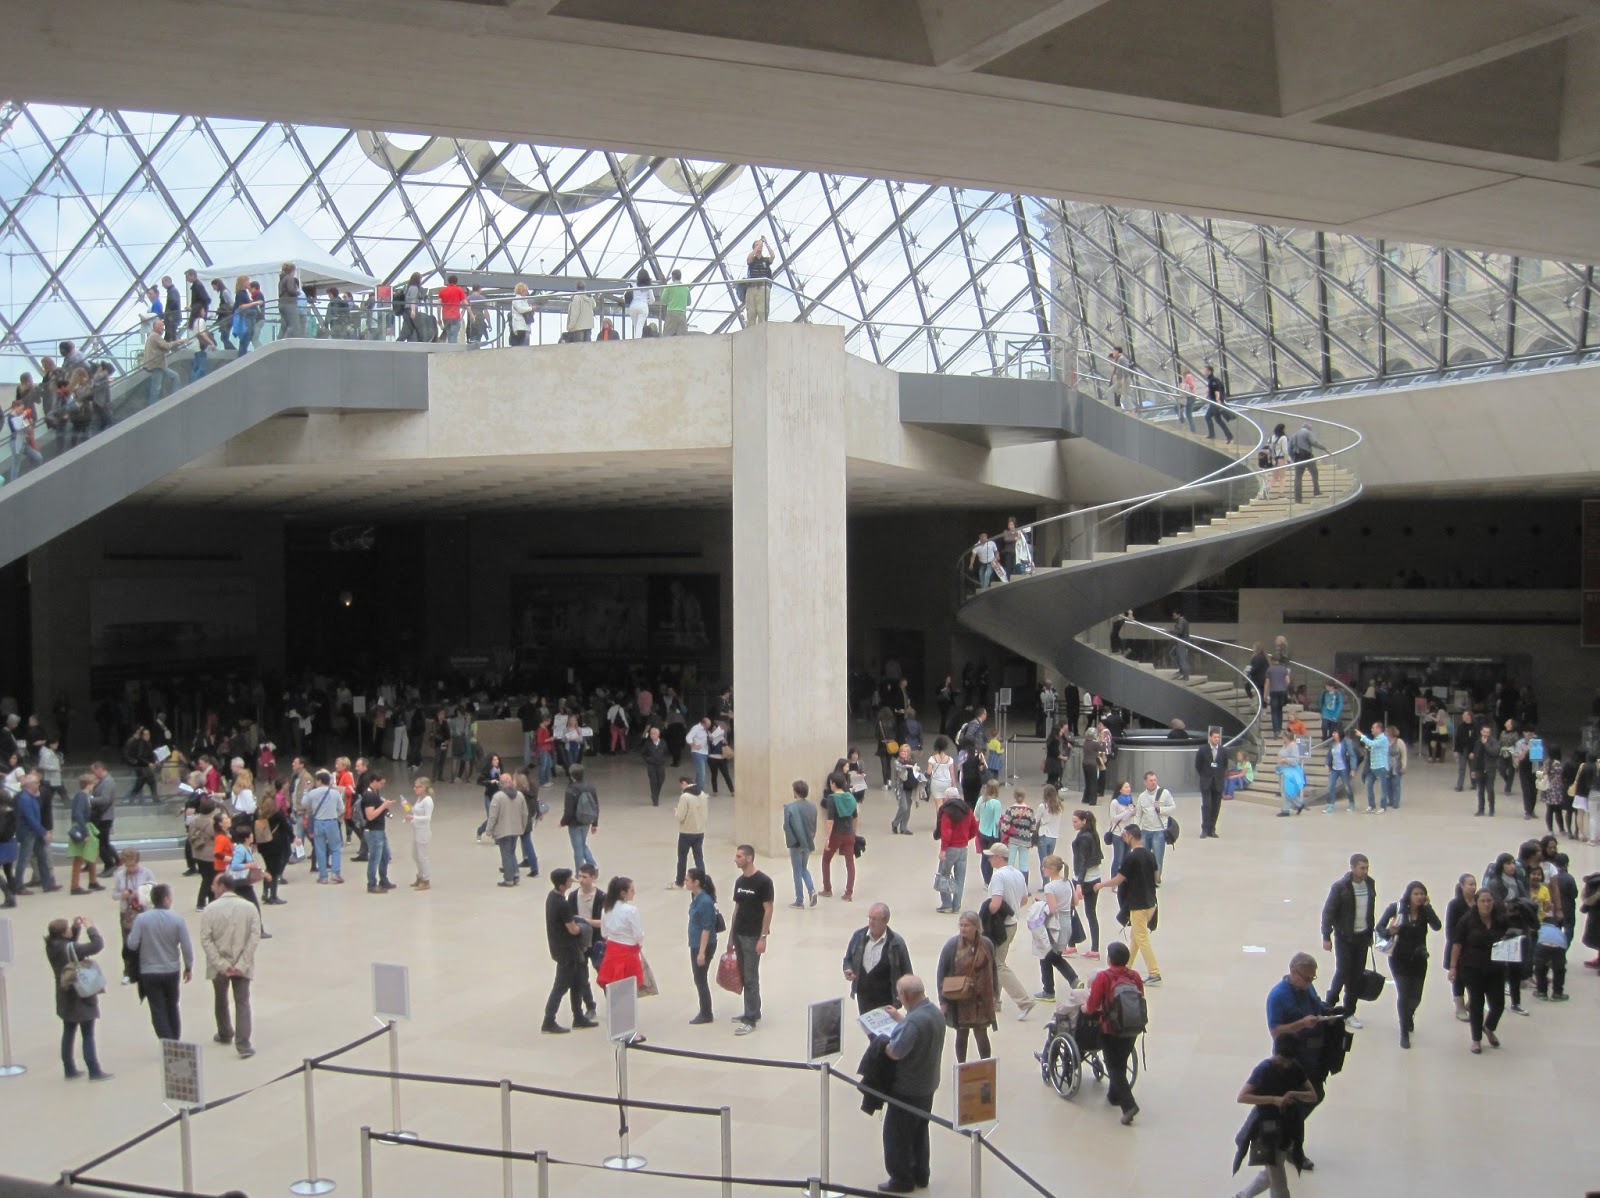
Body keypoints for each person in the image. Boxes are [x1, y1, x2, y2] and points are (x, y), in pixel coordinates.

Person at [877, 975, 946, 1195]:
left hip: (907, 1088)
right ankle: (920, 1174)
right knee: (919, 1133)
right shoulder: (935, 1013)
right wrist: (900, 1019)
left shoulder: (914, 1022)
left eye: (900, 995)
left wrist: (882, 1042)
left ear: (905, 996)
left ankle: (901, 1179)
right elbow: (916, 1029)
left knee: (896, 1135)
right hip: (928, 1084)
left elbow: (896, 1052)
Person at [1231, 1036, 1318, 1198]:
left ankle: (1242, 1196)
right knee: (1278, 1179)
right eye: (1283, 1061)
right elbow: (1242, 1097)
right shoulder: (1264, 1069)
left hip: (1287, 1127)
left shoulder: (1295, 1067)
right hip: (1266, 1128)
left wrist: (1293, 1094)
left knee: (1271, 1173)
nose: (1286, 1065)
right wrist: (1273, 1100)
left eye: (1289, 1061)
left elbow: (1312, 1095)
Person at [1082, 941, 1144, 1124]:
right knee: (1121, 1061)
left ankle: (1129, 1105)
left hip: (1111, 1028)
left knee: (1113, 1066)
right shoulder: (1134, 976)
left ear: (1109, 960)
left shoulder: (1103, 977)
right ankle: (1113, 1095)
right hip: (1133, 1026)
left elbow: (1092, 1006)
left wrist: (1084, 1009)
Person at [200, 874, 261, 1058]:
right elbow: (254, 937)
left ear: (222, 886)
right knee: (242, 1002)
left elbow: (206, 940)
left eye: (214, 884)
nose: (212, 888)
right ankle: (243, 1045)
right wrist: (242, 963)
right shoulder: (249, 907)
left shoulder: (210, 909)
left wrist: (221, 964)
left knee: (221, 998)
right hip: (242, 965)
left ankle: (225, 1032)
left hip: (219, 966)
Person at [45, 915, 113, 1080]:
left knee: (68, 1031)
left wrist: (76, 928)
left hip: (64, 994)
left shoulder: (52, 946)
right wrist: (91, 928)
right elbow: (97, 945)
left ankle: (69, 1068)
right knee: (88, 1033)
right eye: (68, 928)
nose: (70, 929)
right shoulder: (70, 948)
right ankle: (94, 1070)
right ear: (63, 934)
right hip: (80, 995)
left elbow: (69, 947)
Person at [1376, 880, 1440, 1048]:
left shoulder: (1425, 912)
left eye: (1422, 894)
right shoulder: (1396, 908)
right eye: (1416, 894)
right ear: (1409, 895)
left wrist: (1428, 908)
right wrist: (1389, 931)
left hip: (1419, 958)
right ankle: (1404, 1030)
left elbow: (1437, 926)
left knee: (1416, 995)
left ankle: (1409, 1014)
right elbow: (1379, 928)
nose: (1419, 897)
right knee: (1403, 994)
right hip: (1399, 958)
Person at [126, 884, 192, 1041]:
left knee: (157, 1009)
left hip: (149, 970)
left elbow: (132, 944)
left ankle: (166, 1040)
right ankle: (175, 1040)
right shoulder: (178, 920)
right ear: (166, 899)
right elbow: (186, 947)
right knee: (172, 1006)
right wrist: (188, 967)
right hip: (171, 969)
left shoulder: (142, 919)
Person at [1449, 887, 1510, 1053]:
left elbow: (1509, 937)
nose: (1486, 904)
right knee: (1476, 1004)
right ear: (1476, 903)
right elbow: (1457, 945)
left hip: (1496, 967)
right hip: (1472, 968)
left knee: (1498, 1004)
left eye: (1489, 901)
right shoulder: (1467, 920)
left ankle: (1489, 1027)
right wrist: (1453, 967)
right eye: (1483, 901)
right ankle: (1476, 1039)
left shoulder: (1500, 919)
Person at [1097, 825, 1161, 984]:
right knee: (1136, 938)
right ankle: (1126, 967)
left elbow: (1118, 879)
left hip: (1138, 904)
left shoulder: (1130, 858)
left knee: (1141, 938)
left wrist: (1101, 885)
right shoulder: (1150, 854)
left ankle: (1154, 973)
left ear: (1129, 836)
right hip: (1151, 902)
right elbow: (1156, 876)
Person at [1321, 853, 1376, 1028]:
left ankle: (1349, 1011)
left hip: (1362, 937)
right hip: (1344, 937)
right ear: (1352, 868)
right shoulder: (1340, 887)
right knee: (1343, 971)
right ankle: (1328, 1006)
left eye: (1367, 868)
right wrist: (1326, 936)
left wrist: (1370, 934)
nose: (1365, 871)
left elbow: (1370, 910)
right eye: (1362, 868)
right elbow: (1328, 912)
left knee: (1356, 976)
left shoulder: (1370, 883)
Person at [934, 912, 998, 1062]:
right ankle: (961, 1066)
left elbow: (994, 970)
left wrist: (995, 994)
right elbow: (941, 973)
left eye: (967, 925)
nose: (963, 928)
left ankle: (985, 1065)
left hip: (982, 998)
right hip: (960, 998)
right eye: (961, 925)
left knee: (981, 1034)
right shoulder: (952, 946)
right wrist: (943, 1001)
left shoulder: (987, 944)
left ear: (976, 927)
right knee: (961, 1034)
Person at [982, 842, 1037, 1019]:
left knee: (998, 964)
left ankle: (1024, 1001)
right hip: (1012, 923)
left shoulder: (998, 876)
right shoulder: (1018, 873)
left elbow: (995, 904)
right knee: (996, 962)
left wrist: (986, 913)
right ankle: (995, 1001)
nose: (989, 860)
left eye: (991, 856)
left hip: (1000, 926)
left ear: (999, 858)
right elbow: (1023, 899)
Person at [541, 869, 598, 1033]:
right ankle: (548, 1020)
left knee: (577, 982)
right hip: (568, 950)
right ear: (562, 885)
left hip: (561, 948)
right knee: (560, 986)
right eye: (569, 879)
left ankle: (578, 1017)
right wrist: (583, 928)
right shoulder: (562, 904)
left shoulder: (552, 897)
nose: (572, 880)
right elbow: (573, 929)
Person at [730, 844, 774, 1036]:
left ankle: (750, 1019)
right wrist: (731, 936)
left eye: (739, 856)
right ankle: (753, 1010)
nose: (736, 859)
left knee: (750, 977)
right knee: (744, 975)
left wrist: (762, 937)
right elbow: (737, 909)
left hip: (753, 935)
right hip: (739, 934)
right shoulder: (740, 881)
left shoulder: (763, 882)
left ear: (749, 858)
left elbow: (768, 909)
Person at [842, 902, 913, 1013]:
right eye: (869, 918)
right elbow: (848, 959)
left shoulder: (896, 943)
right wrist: (848, 969)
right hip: (863, 997)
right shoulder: (858, 936)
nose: (871, 922)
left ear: (885, 920)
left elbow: (907, 972)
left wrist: (909, 1002)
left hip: (887, 999)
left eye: (875, 919)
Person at [1034, 854, 1081, 999]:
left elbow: (1052, 909)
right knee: (1054, 955)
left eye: (1044, 867)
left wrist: (1040, 905)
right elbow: (1075, 901)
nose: (1043, 869)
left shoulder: (1050, 886)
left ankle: (1049, 990)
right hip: (1067, 922)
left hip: (1054, 925)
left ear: (1051, 869)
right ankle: (1073, 980)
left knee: (1046, 956)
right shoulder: (1068, 882)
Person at [595, 875, 646, 1003]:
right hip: (628, 953)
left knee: (613, 989)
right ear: (623, 893)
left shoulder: (606, 909)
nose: (634, 893)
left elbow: (604, 933)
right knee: (629, 990)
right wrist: (639, 944)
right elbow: (638, 935)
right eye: (632, 890)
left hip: (612, 952)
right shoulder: (631, 911)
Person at [111, 847, 156, 983]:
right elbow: (114, 895)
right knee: (128, 942)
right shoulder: (120, 875)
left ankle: (146, 969)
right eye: (128, 866)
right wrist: (122, 894)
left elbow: (154, 892)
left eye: (133, 865)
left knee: (146, 941)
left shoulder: (147, 873)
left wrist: (138, 893)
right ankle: (129, 972)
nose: (130, 869)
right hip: (127, 913)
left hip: (144, 911)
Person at [686, 867, 718, 1024]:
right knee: (699, 978)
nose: (685, 882)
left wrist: (701, 952)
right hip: (696, 943)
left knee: (700, 978)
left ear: (696, 882)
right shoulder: (696, 897)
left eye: (687, 880)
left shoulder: (705, 902)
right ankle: (705, 1010)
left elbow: (707, 928)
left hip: (702, 945)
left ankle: (706, 1012)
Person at [819, 770, 858, 901]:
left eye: (831, 783)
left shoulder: (832, 799)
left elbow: (830, 820)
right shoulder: (850, 797)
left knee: (826, 860)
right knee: (850, 863)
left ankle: (827, 889)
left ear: (834, 784)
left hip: (836, 834)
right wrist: (854, 833)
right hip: (849, 834)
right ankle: (849, 893)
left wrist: (827, 838)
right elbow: (855, 817)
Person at [485, 775, 530, 887]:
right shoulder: (520, 795)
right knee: (512, 852)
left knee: (506, 855)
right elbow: (525, 813)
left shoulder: (498, 797)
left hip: (503, 831)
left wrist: (489, 830)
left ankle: (509, 879)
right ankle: (515, 874)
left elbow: (493, 816)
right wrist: (522, 827)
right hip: (516, 830)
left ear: (501, 784)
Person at [304, 770, 345, 884]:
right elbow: (342, 808)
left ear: (319, 781)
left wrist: (306, 791)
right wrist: (335, 815)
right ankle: (335, 874)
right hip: (332, 822)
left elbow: (304, 803)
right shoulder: (335, 793)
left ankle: (323, 876)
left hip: (318, 822)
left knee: (320, 849)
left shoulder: (313, 793)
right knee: (335, 848)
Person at [782, 779, 818, 908]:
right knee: (803, 868)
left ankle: (799, 900)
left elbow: (787, 826)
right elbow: (814, 825)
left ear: (796, 792)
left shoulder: (790, 808)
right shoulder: (812, 807)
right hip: (808, 842)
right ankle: (811, 890)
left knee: (797, 871)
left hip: (796, 844)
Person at [1131, 771, 1176, 872]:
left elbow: (1173, 808)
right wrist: (1135, 830)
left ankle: (1157, 878)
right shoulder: (1142, 796)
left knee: (1157, 860)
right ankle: (1146, 878)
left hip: (1159, 831)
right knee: (1143, 859)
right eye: (1150, 780)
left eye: (1155, 780)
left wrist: (1161, 809)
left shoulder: (1164, 793)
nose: (1153, 782)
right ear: (1145, 782)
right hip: (1145, 831)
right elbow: (1138, 815)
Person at [359, 772, 395, 894]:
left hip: (379, 830)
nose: (382, 786)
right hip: (373, 831)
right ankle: (372, 883)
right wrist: (384, 806)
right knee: (374, 858)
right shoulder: (369, 796)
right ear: (374, 781)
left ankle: (383, 880)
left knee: (385, 855)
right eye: (381, 783)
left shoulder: (375, 793)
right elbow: (370, 816)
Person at [671, 775, 708, 888]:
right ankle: (702, 881)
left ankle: (679, 882)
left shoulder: (685, 797)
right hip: (699, 831)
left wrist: (676, 811)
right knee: (699, 857)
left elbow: (681, 816)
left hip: (686, 832)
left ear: (684, 783)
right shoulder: (702, 794)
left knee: (682, 858)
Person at [561, 765, 600, 872]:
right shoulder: (591, 787)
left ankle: (581, 871)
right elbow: (596, 806)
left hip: (574, 822)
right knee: (582, 844)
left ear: (571, 776)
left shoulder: (571, 790)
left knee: (577, 848)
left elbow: (569, 811)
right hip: (587, 820)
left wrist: (563, 822)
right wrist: (595, 823)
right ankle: (593, 866)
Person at [1196, 728, 1226, 839]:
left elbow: (1224, 765)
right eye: (1214, 737)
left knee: (1216, 807)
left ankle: (1212, 829)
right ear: (1210, 737)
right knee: (1207, 806)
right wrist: (1205, 775)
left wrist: (1219, 776)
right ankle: (1205, 829)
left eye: (1218, 737)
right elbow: (1198, 765)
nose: (1216, 739)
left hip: (1218, 782)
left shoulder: (1223, 750)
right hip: (1206, 782)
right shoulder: (1203, 750)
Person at [404, 777, 433, 891]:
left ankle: (426, 880)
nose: (415, 788)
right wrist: (408, 807)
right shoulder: (419, 799)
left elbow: (427, 818)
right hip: (416, 830)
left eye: (417, 787)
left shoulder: (427, 801)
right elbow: (416, 811)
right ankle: (420, 876)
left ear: (424, 787)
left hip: (423, 831)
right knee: (415, 855)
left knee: (422, 857)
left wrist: (413, 818)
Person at [1356, 722, 1392, 811]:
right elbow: (1372, 746)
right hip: (1372, 767)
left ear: (1378, 729)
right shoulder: (1376, 739)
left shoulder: (1383, 739)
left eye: (1373, 728)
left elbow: (1372, 744)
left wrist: (1361, 736)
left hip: (1381, 767)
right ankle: (1371, 806)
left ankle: (1383, 807)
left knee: (1382, 788)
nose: (1371, 729)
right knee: (1368, 786)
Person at [744, 237, 774, 323]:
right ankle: (750, 328)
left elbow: (773, 256)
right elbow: (748, 258)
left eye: (760, 245)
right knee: (751, 312)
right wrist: (758, 246)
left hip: (763, 287)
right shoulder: (752, 260)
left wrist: (766, 243)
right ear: (754, 248)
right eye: (757, 245)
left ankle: (762, 327)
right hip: (752, 287)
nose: (760, 246)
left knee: (762, 311)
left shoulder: (766, 260)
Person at [641, 726, 669, 807]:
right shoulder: (648, 743)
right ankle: (655, 799)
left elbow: (666, 752)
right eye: (651, 734)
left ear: (658, 734)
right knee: (653, 782)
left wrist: (663, 760)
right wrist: (648, 759)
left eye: (654, 734)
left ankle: (655, 794)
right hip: (651, 765)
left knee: (661, 780)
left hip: (660, 765)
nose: (652, 735)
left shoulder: (663, 742)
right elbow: (643, 753)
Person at [661, 269, 690, 336]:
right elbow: (689, 302)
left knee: (667, 335)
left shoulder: (669, 286)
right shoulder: (686, 288)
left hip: (671, 312)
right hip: (682, 313)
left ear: (673, 277)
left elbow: (663, 299)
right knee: (682, 336)